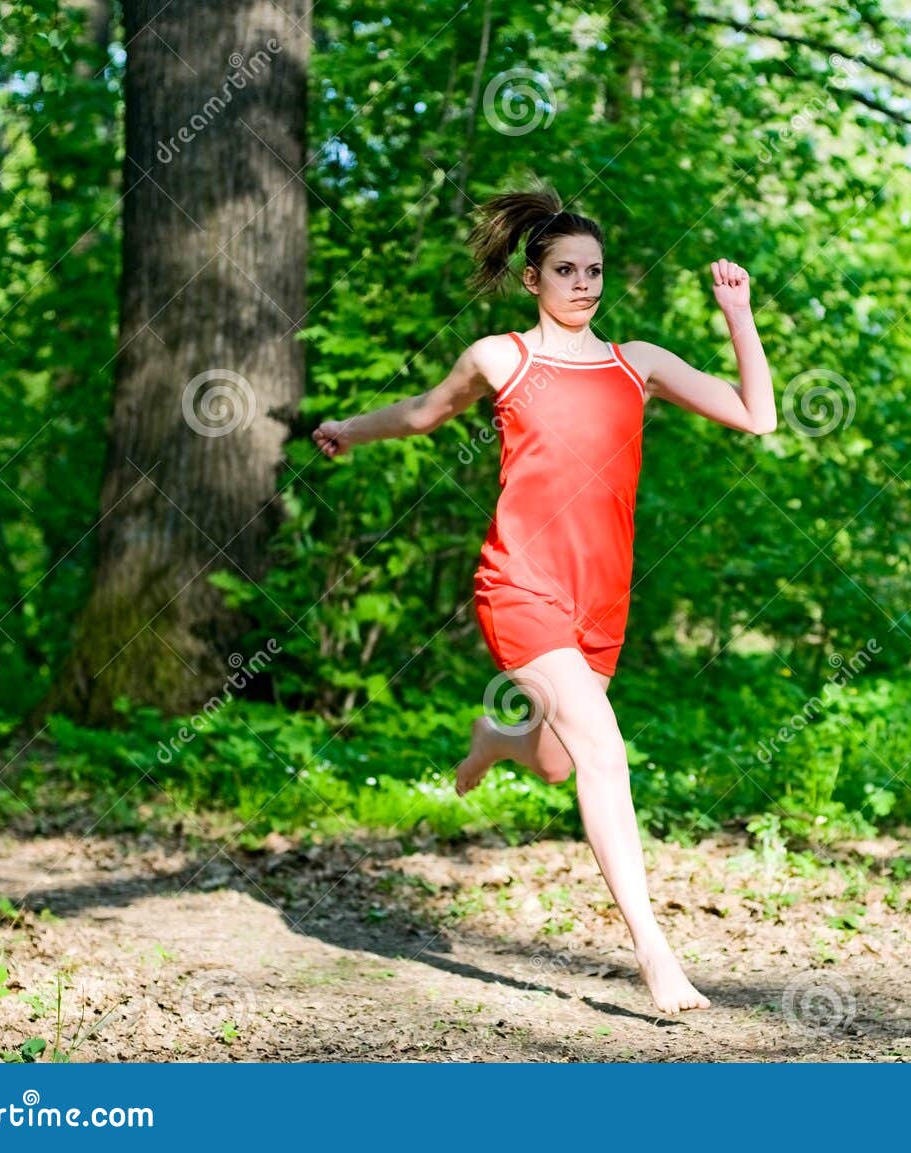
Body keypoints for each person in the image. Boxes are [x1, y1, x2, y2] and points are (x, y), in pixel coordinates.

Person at [311, 183, 776, 1015]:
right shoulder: (503, 358)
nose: (584, 285)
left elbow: (758, 416)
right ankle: (656, 956)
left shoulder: (637, 363)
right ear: (534, 279)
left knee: (560, 760)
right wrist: (349, 427)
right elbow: (424, 413)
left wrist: (737, 313)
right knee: (604, 754)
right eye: (566, 270)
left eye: (595, 271)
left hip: (602, 601)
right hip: (519, 584)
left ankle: (498, 735)